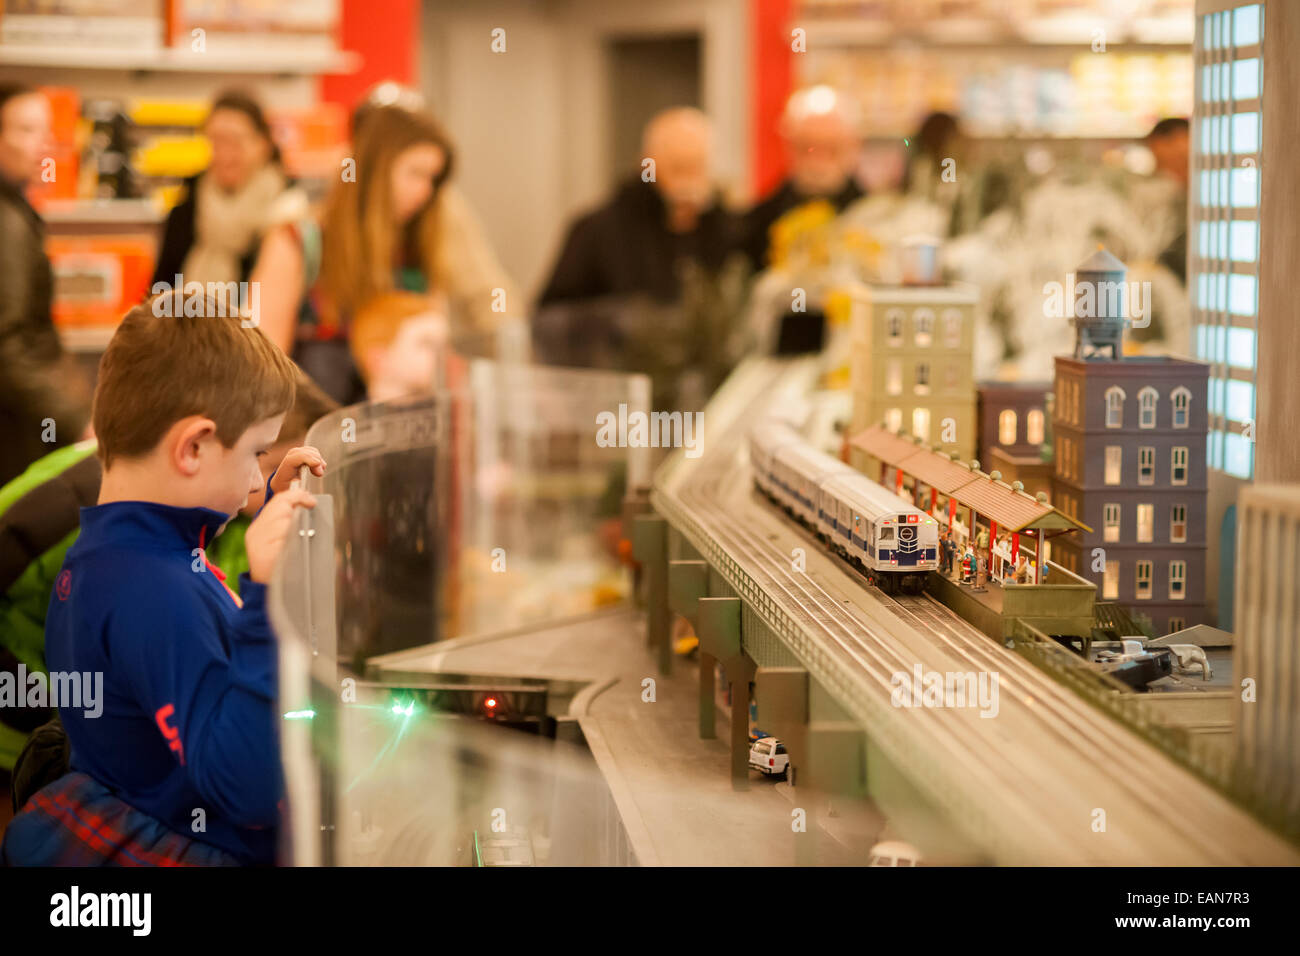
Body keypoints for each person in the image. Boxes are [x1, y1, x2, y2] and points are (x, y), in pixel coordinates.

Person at [0, 291, 324, 866]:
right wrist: (266, 599)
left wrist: (274, 497)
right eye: (255, 454)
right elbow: (245, 787)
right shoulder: (153, 590)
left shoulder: (112, 553)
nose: (255, 479)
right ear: (194, 447)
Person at [252, 95, 516, 405]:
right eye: (415, 173)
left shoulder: (419, 249)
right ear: (375, 171)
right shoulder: (296, 243)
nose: (425, 191)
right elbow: (262, 373)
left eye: (432, 178)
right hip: (314, 442)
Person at [538, 107, 737, 307]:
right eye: (677, 167)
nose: (687, 183)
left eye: (696, 167)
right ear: (648, 165)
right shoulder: (598, 231)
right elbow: (551, 315)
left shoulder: (725, 229)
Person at [0, 84, 92, 487]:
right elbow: (10, 341)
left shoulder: (16, 210)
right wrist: (72, 419)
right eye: (25, 129)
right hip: (18, 429)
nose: (42, 145)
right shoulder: (7, 223)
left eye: (45, 131)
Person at [151, 90, 293, 290]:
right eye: (216, 141)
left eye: (235, 141)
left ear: (263, 144)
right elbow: (159, 295)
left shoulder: (289, 214)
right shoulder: (186, 211)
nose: (225, 154)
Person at [736, 86, 865, 272]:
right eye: (808, 148)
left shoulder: (875, 217)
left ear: (853, 146)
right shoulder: (758, 222)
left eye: (831, 149)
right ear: (789, 145)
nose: (818, 161)